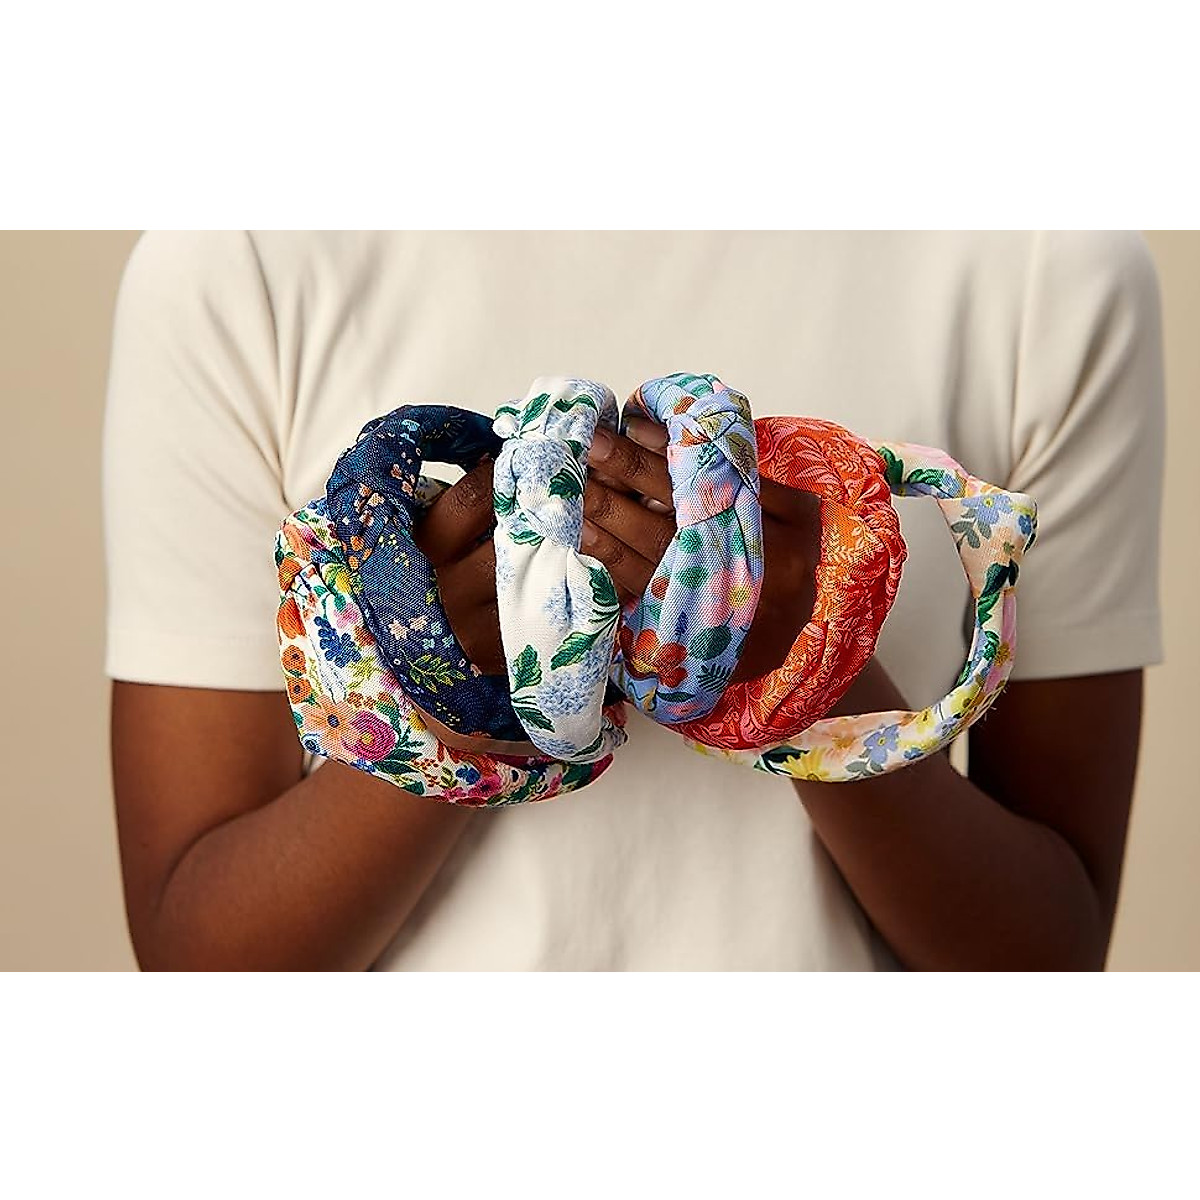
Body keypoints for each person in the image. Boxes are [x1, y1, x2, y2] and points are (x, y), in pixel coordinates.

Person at [102, 231, 1165, 971]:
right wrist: (455, 696)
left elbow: (1048, 957)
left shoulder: (1049, 267)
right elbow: (201, 962)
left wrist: (804, 667)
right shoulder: (237, 266)